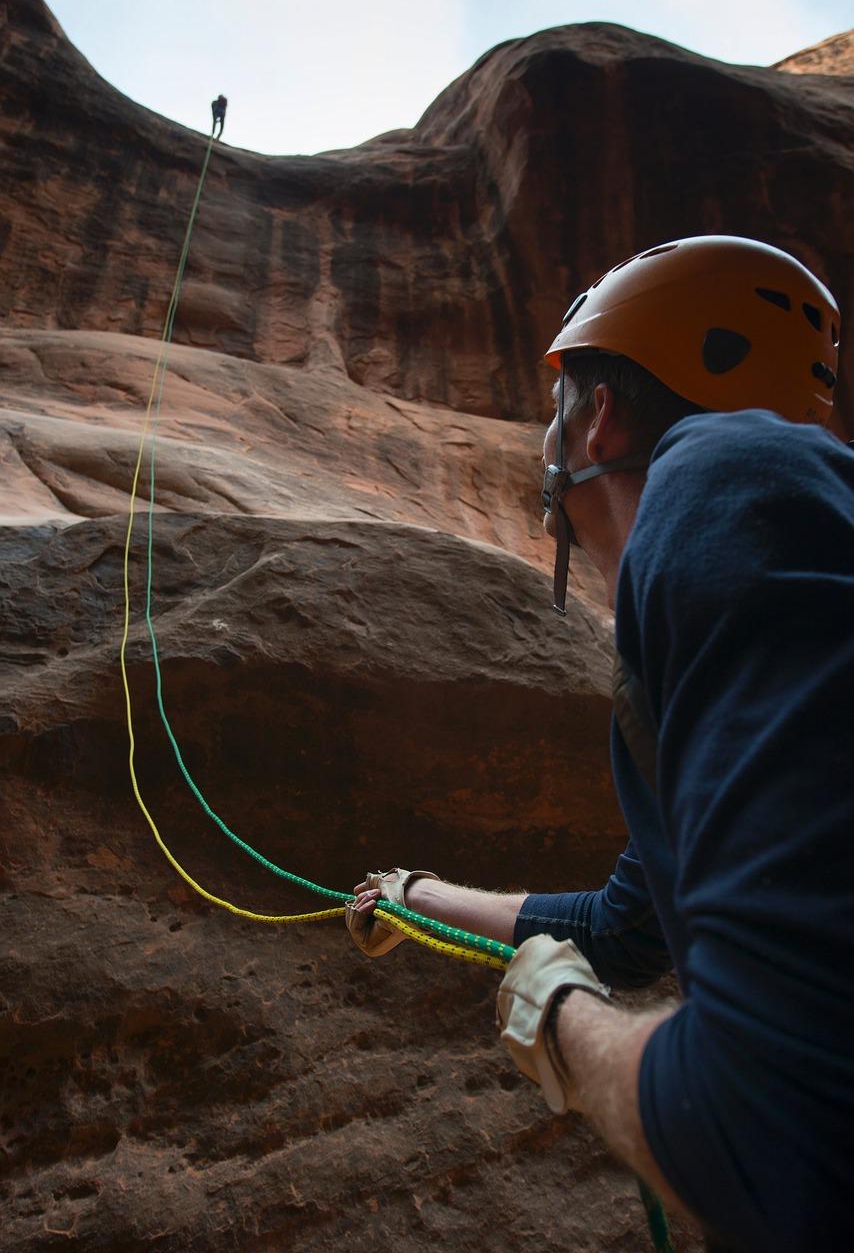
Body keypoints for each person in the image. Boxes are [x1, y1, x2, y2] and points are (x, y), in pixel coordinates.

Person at [347, 236, 854, 1253]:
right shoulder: (758, 528)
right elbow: (626, 926)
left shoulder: (717, 483)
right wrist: (416, 895)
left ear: (600, 416)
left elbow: (764, 1125)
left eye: (554, 411)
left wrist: (561, 1025)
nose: (546, 444)